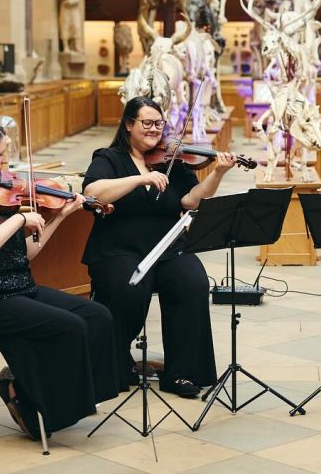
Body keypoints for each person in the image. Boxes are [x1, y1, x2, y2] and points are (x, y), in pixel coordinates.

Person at [0, 118, 121, 439]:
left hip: (17, 289)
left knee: (96, 316)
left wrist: (57, 216)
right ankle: (32, 404)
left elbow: (27, 254)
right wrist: (18, 220)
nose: (6, 163)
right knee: (68, 327)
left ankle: (71, 398)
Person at [82, 96, 236, 398]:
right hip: (119, 247)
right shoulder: (109, 158)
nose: (154, 129)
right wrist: (139, 180)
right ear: (128, 124)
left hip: (166, 247)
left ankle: (183, 373)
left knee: (192, 283)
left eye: (158, 123)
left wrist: (217, 173)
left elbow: (191, 200)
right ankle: (115, 364)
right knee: (130, 288)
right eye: (147, 123)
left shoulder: (171, 159)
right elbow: (93, 192)